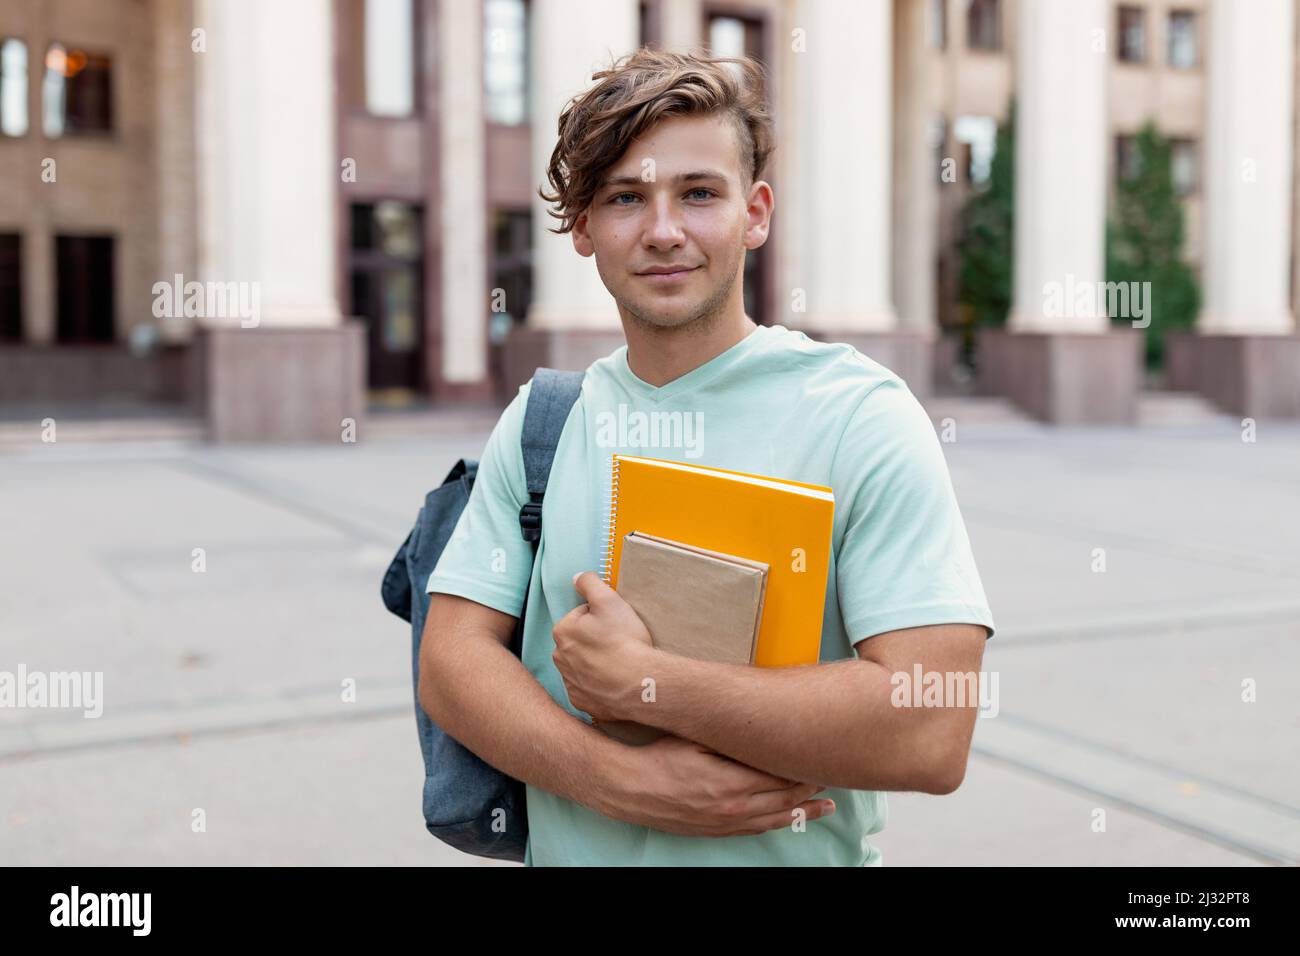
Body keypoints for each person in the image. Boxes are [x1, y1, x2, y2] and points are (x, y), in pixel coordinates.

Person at [420, 48, 995, 866]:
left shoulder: (860, 417)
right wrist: (618, 781)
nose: (663, 231)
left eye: (698, 193)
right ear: (583, 228)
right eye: (626, 198)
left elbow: (933, 727)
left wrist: (648, 683)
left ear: (754, 212)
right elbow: (450, 660)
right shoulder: (547, 420)